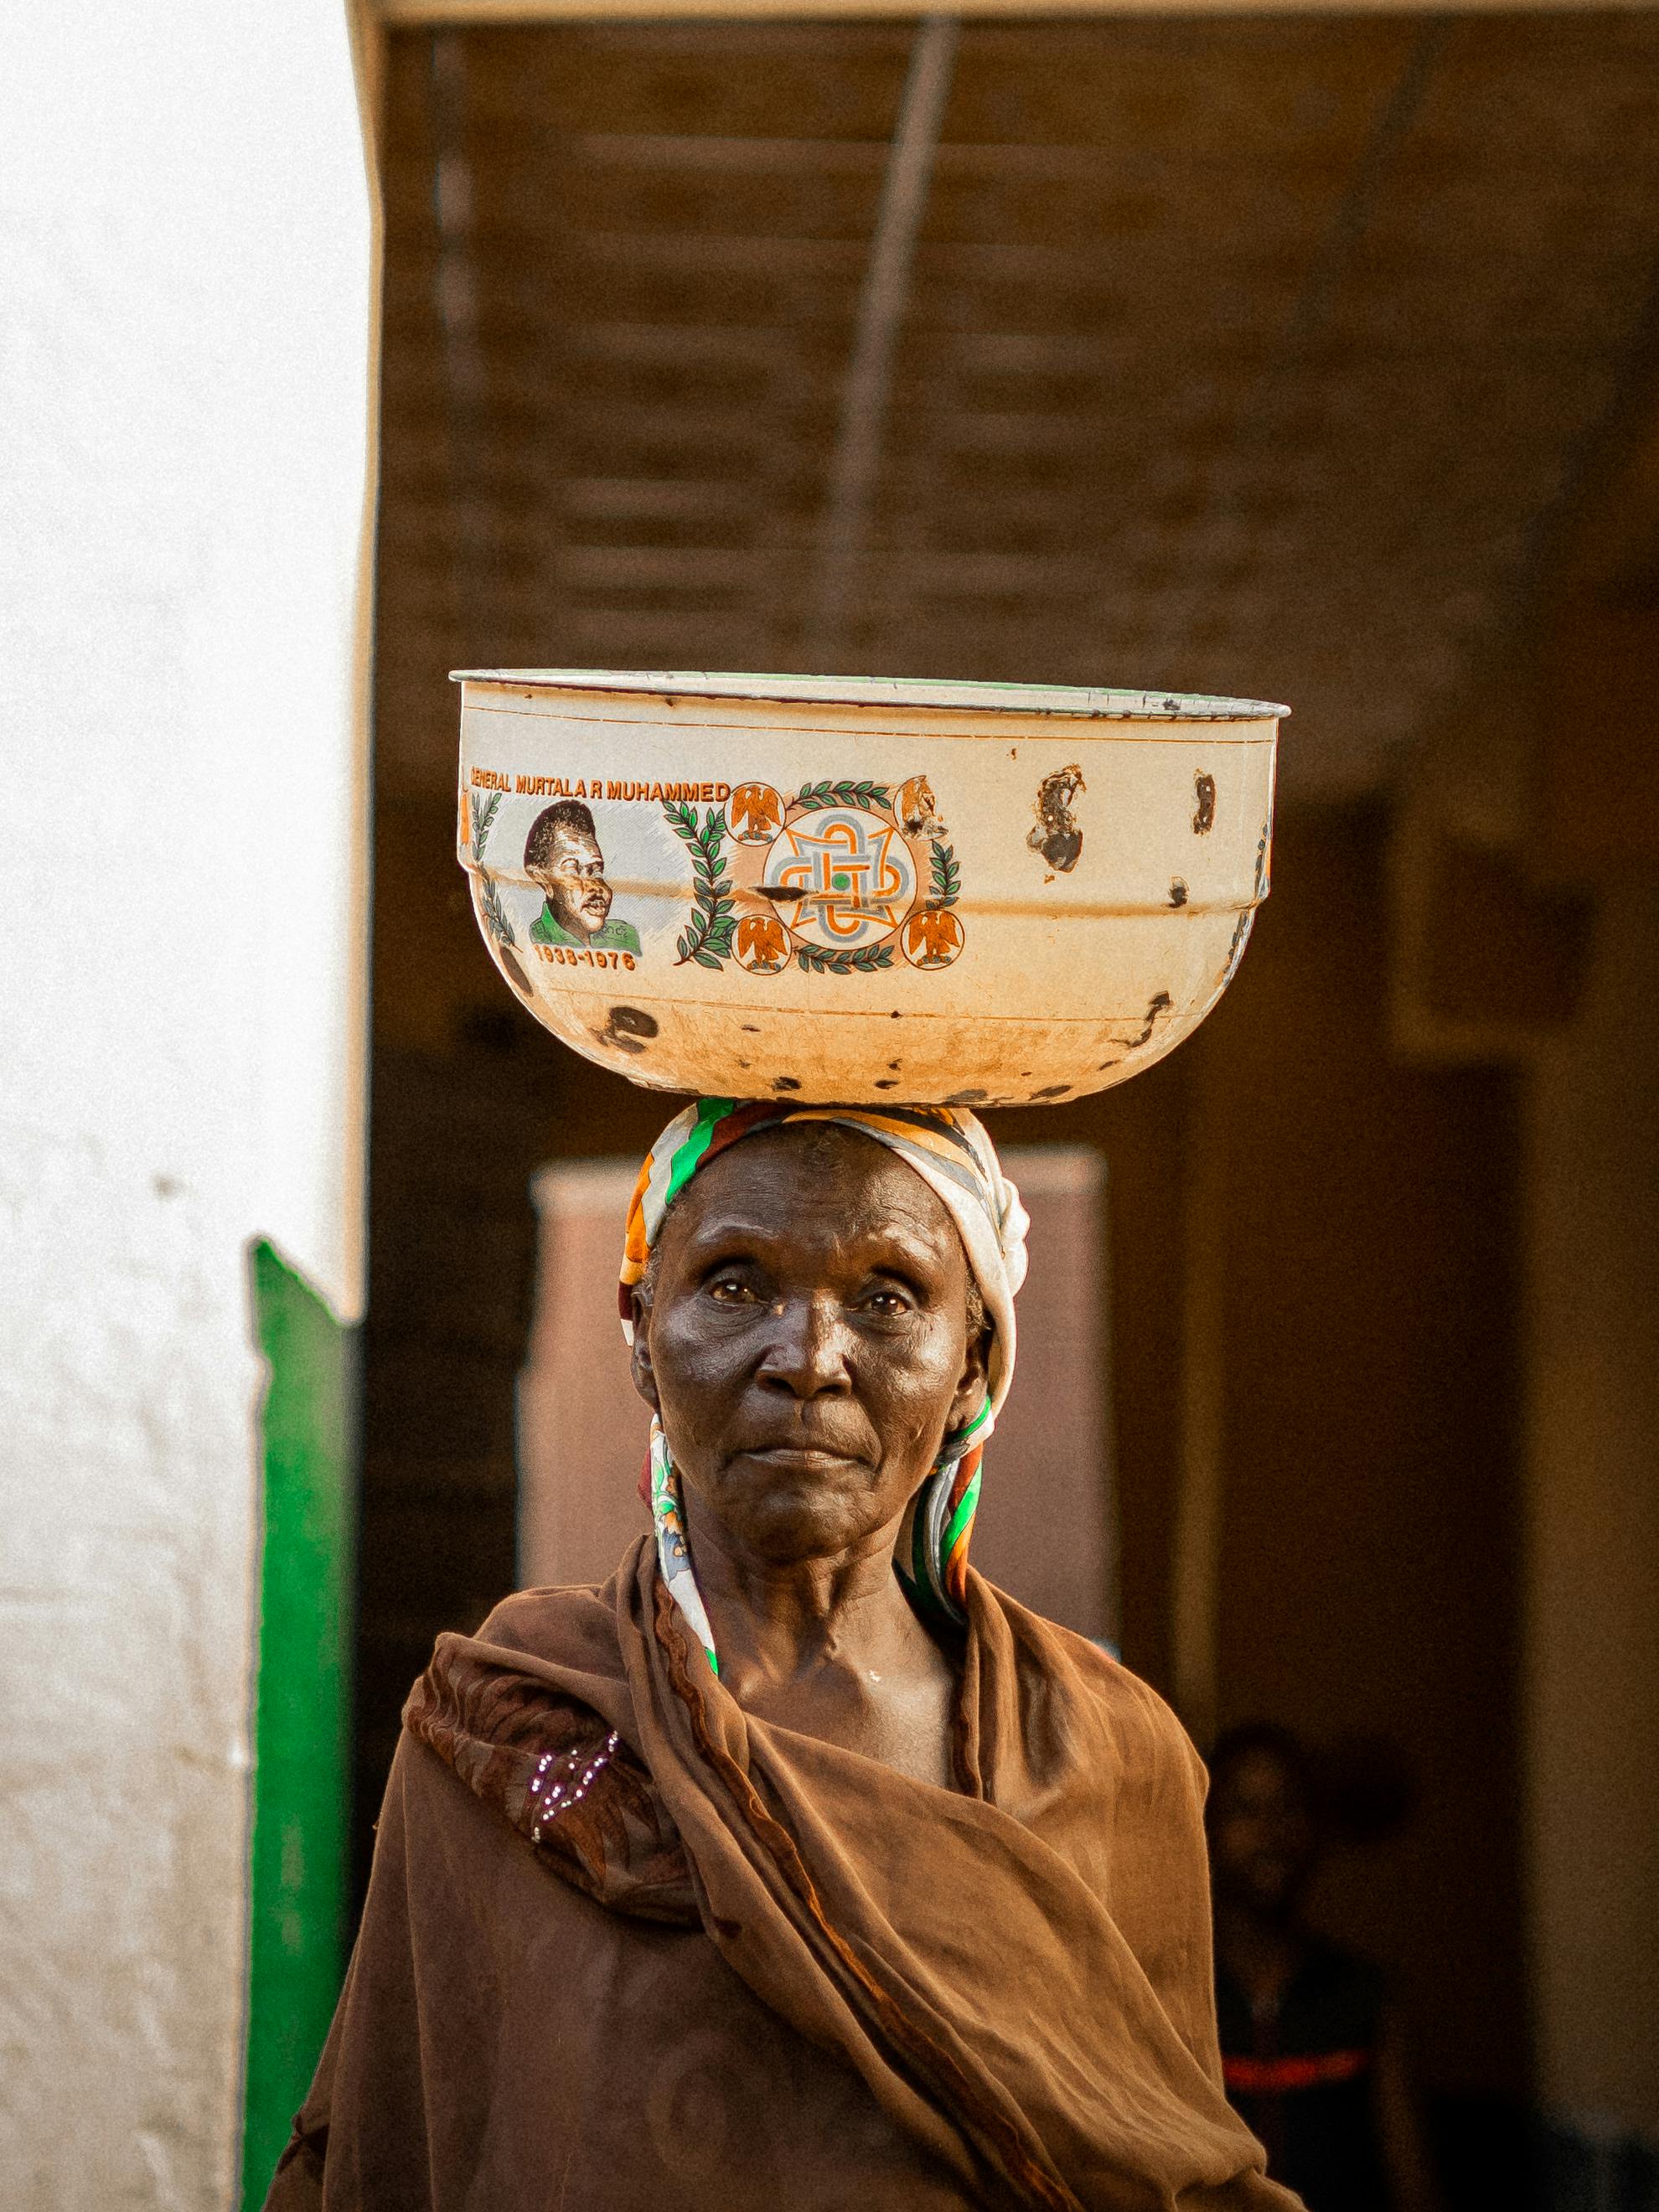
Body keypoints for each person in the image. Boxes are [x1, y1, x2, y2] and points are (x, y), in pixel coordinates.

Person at [265, 1101, 1300, 2211]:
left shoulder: (1105, 1748)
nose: (807, 1359)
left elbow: (1166, 2167)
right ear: (644, 1337)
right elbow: (392, 2144)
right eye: (735, 1283)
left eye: (887, 1296)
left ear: (973, 1365)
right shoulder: (513, 1722)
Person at [1207, 1724, 1445, 2212]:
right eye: (1244, 1810)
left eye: (1289, 1807)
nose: (1269, 1832)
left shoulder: (1362, 1994)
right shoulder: (1174, 2000)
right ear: (1205, 1828)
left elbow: (1412, 2183)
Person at [525, 798, 641, 952]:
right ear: (544, 880)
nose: (594, 887)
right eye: (573, 870)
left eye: (596, 872)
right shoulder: (532, 940)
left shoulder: (625, 937)